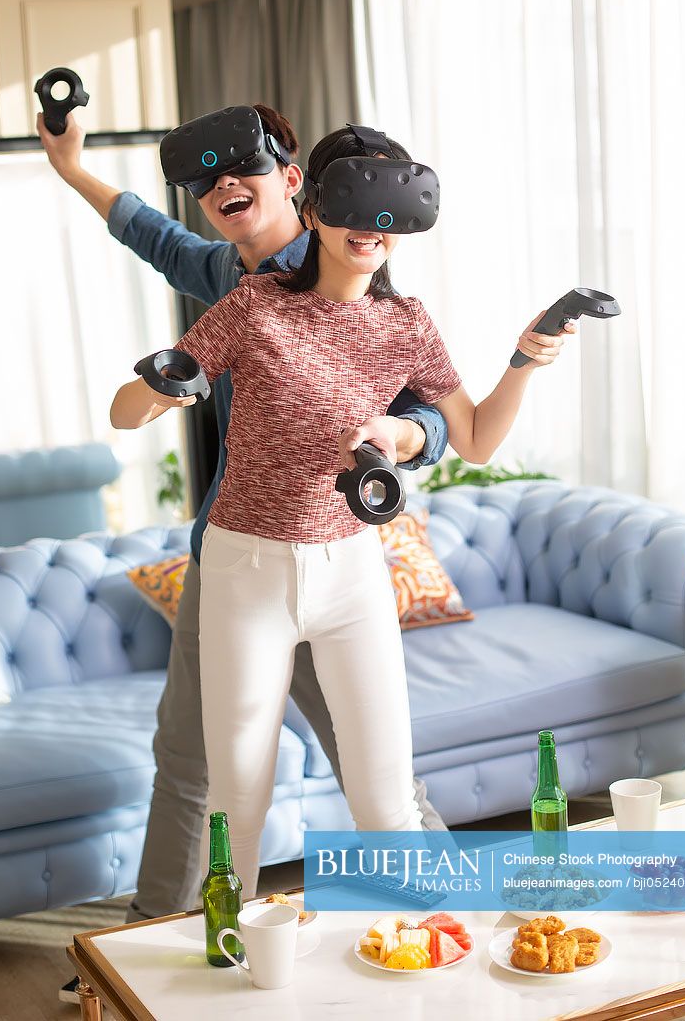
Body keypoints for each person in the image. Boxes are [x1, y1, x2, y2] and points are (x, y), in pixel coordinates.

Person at [111, 123, 574, 901]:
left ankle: (432, 962)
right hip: (245, 570)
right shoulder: (252, 304)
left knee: (386, 797)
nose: (373, 224)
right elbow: (128, 412)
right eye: (357, 198)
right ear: (315, 204)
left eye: (392, 203)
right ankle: (223, 962)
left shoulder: (406, 324)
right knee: (240, 802)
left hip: (352, 571)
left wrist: (523, 362)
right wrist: (169, 380)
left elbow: (474, 437)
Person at [37, 105, 452, 930]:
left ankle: (446, 909)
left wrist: (406, 433)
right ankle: (161, 937)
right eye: (208, 178)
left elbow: (434, 415)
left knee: (377, 775)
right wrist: (72, 168)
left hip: (331, 556)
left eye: (246, 170)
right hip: (231, 563)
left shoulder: (346, 258)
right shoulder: (231, 279)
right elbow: (149, 234)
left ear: (297, 188)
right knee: (192, 764)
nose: (226, 185)